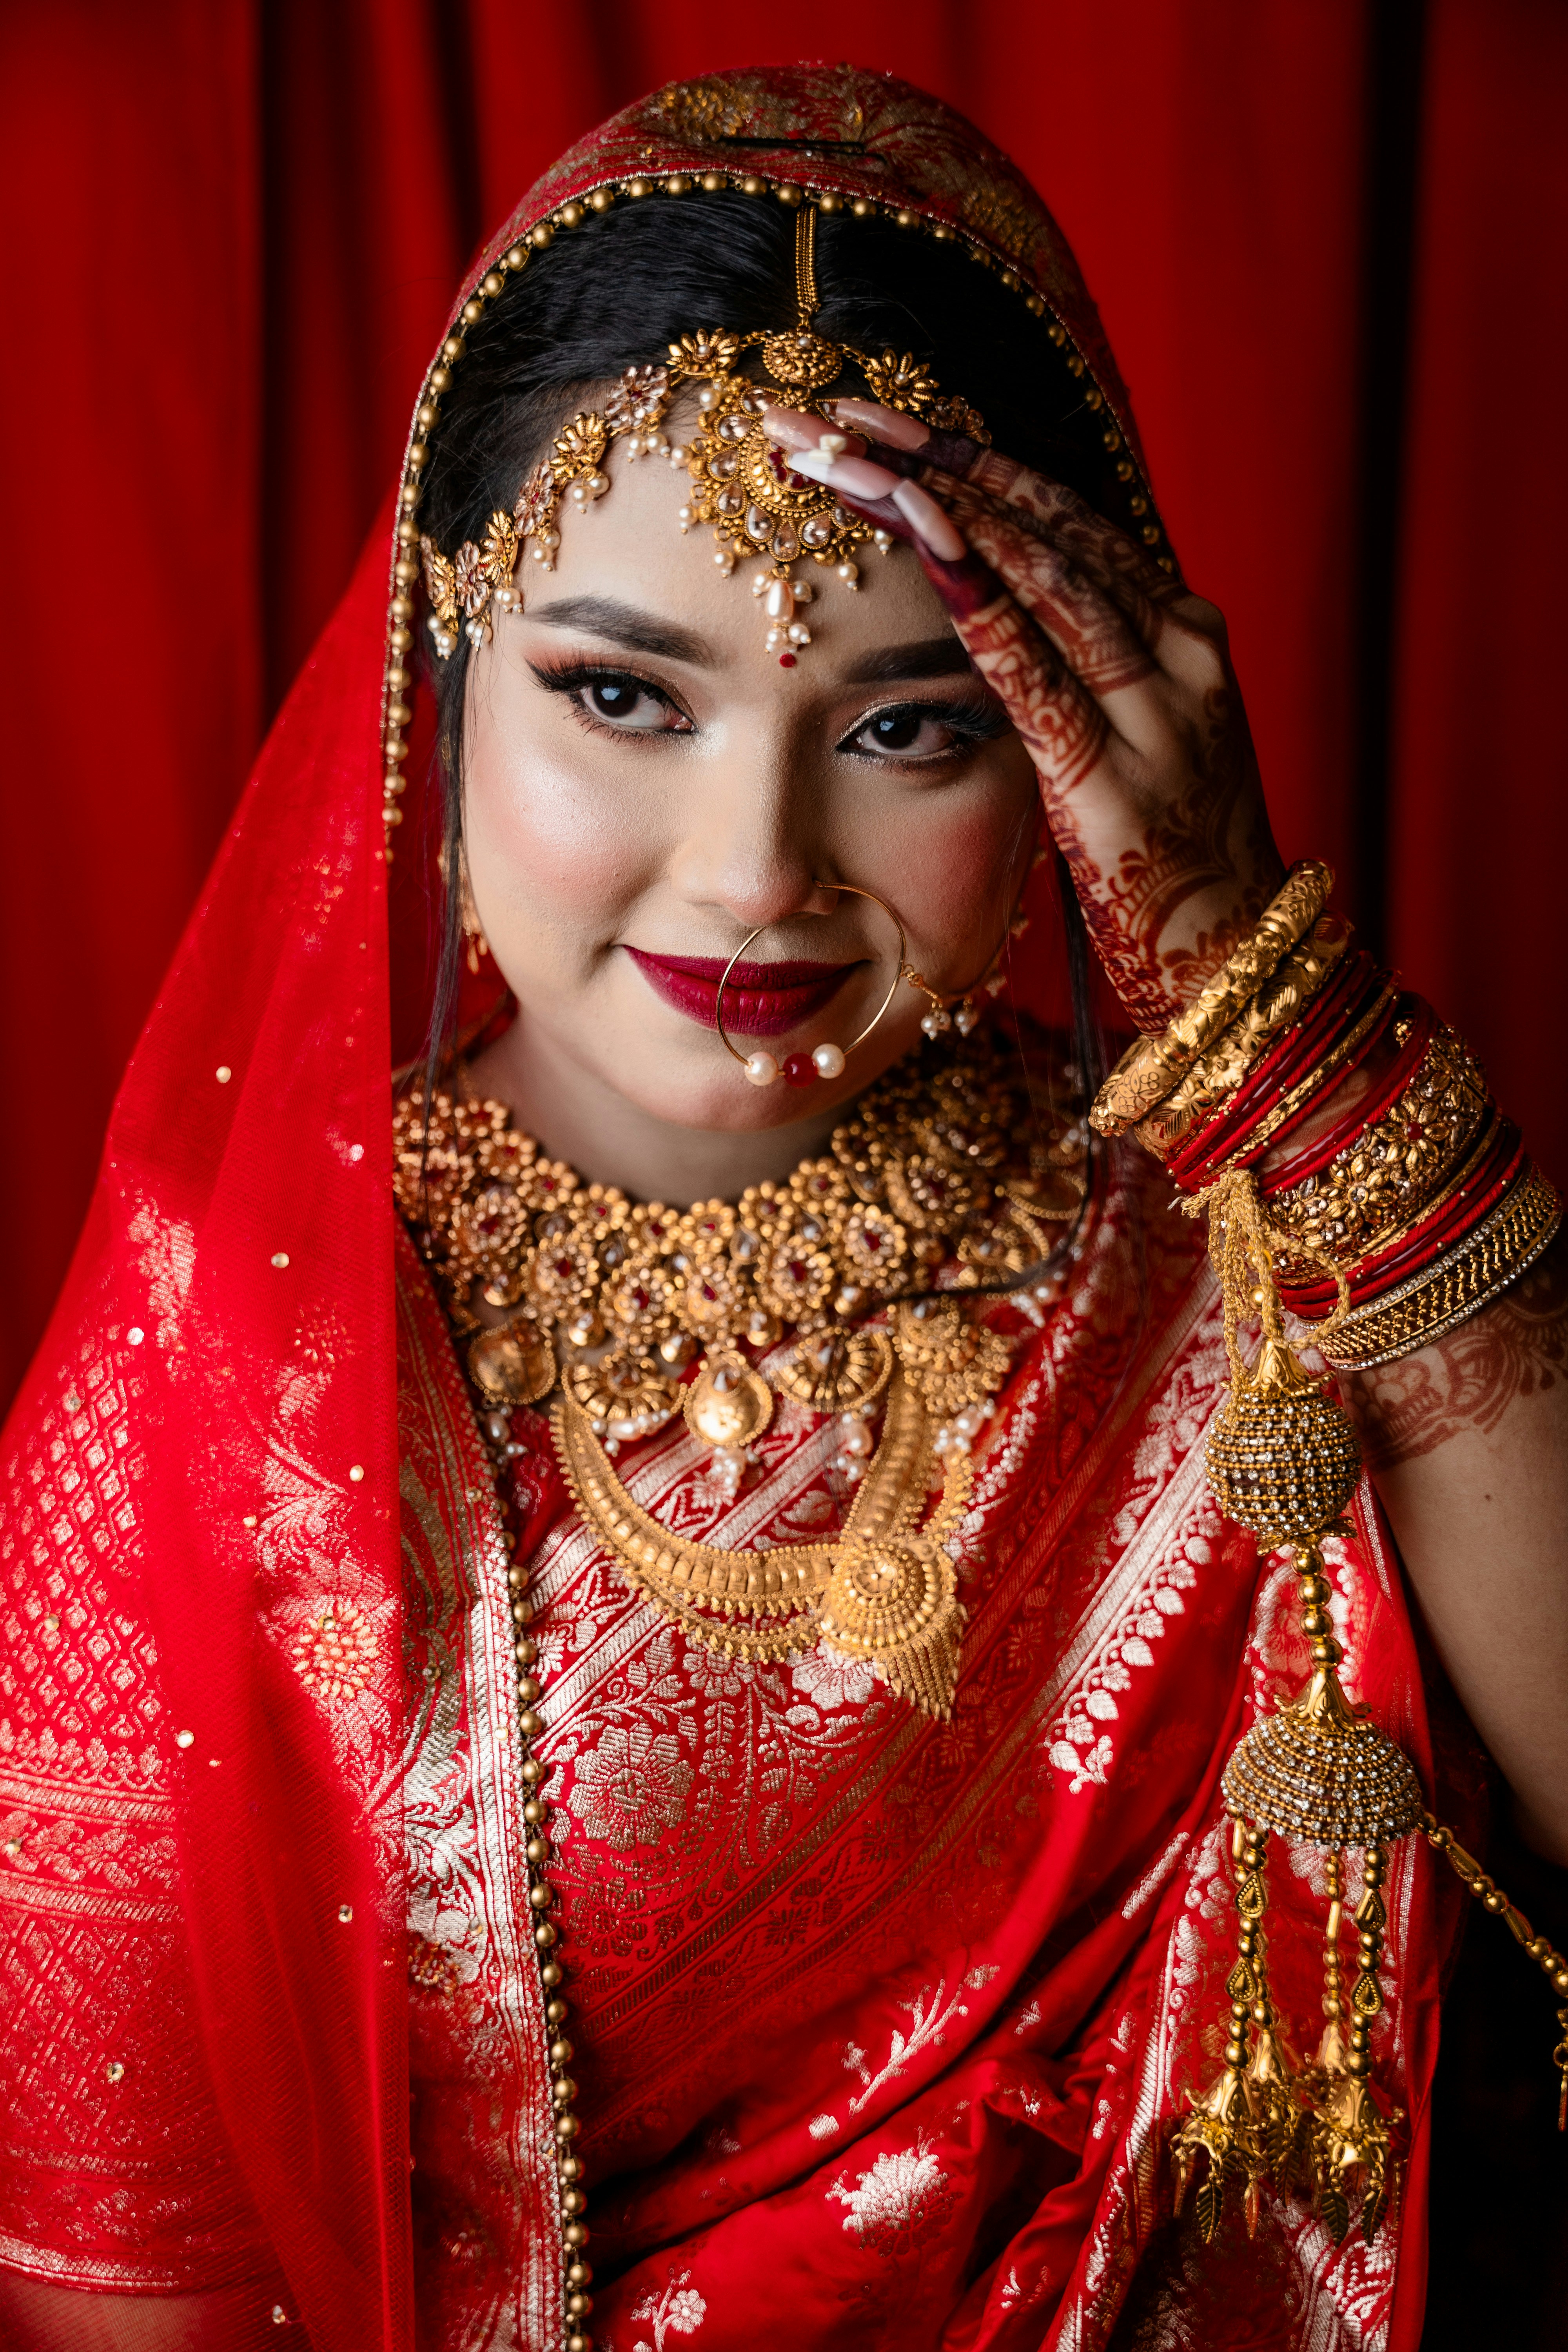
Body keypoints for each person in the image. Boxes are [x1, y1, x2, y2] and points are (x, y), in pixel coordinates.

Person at [0, 63, 1563, 2352]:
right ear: (439, 674)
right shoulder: (211, 1361)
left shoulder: (1243, 1243)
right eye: (624, 691)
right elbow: (119, 2284)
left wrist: (1276, 1017)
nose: (756, 869)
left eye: (910, 726)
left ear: (1067, 736)